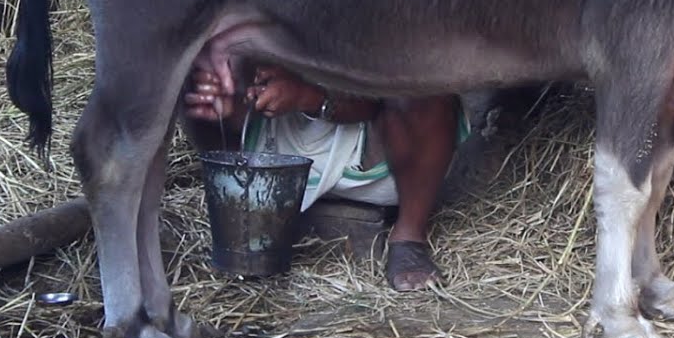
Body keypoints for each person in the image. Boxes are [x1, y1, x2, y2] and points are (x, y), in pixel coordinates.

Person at [180, 62, 464, 291]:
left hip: (378, 156)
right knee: (194, 77)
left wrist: (309, 96)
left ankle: (409, 236)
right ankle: (242, 220)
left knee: (425, 84)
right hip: (269, 159)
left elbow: (377, 98)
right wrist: (228, 105)